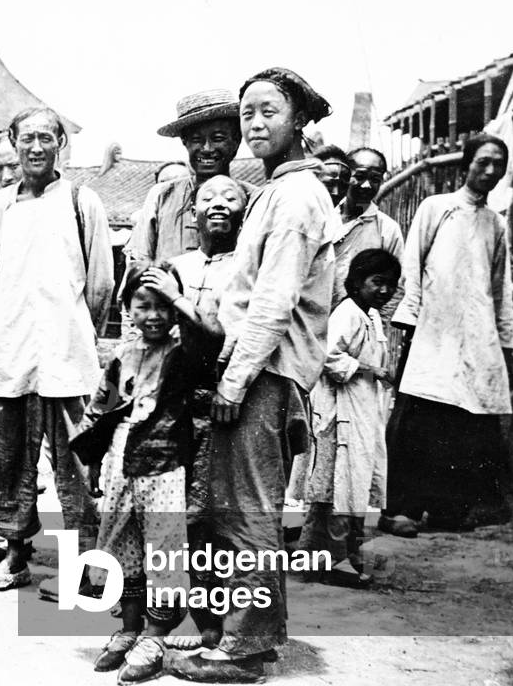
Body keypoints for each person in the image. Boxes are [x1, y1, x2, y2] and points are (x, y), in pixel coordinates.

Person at [172, 68, 334, 683]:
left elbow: (272, 302)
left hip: (263, 374)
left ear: (299, 121)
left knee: (249, 514)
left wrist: (234, 382)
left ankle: (244, 649)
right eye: (248, 115)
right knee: (237, 510)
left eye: (270, 111)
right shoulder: (273, 190)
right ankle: (244, 640)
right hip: (253, 368)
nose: (256, 125)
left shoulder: (294, 197)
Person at [0, 107, 114, 594]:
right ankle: (15, 555)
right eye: (26, 138)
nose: (35, 148)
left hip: (66, 357)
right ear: (12, 143)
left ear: (62, 144)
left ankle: (88, 568)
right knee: (11, 460)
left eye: (46, 138)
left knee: (74, 465)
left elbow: (100, 285)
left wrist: (77, 337)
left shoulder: (82, 201)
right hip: (10, 353)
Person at [382, 134, 513, 536]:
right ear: (466, 164)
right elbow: (413, 265)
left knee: (463, 425)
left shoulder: (497, 224)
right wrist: (410, 319)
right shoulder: (436, 208)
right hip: (432, 331)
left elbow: (499, 287)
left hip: (476, 335)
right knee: (418, 420)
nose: (490, 171)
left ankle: (447, 509)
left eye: (498, 164)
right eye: (483, 162)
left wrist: (504, 341)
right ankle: (401, 508)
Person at [142, 175, 248, 653]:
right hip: (174, 403)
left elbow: (218, 338)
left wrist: (176, 296)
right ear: (193, 212)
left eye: (232, 198)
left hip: (222, 401)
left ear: (245, 214)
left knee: (210, 522)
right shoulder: (177, 265)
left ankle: (212, 625)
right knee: (170, 517)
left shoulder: (247, 268)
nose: (219, 204)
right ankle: (158, 620)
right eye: (209, 198)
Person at [77, 265, 193, 683]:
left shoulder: (184, 353)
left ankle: (156, 635)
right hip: (119, 465)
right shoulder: (121, 355)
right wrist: (92, 462)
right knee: (120, 546)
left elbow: (211, 338)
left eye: (164, 306)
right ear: (127, 309)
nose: (154, 316)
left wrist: (182, 301)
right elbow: (99, 410)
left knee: (162, 549)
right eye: (143, 305)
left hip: (164, 468)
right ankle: (129, 629)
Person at [297, 249, 400, 588]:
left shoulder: (370, 317)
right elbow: (328, 356)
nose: (384, 291)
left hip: (360, 412)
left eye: (391, 284)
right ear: (357, 282)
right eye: (377, 282)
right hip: (337, 413)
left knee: (353, 485)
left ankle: (345, 556)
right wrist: (371, 369)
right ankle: (317, 561)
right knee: (331, 488)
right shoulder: (348, 313)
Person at [125, 89, 249, 267]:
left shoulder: (253, 198)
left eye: (218, 138)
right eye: (196, 139)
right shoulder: (162, 195)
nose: (206, 148)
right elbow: (139, 260)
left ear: (236, 141)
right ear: (185, 142)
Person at [330, 148, 404, 313]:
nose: (366, 185)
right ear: (346, 175)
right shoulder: (325, 217)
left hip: (359, 325)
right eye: (360, 177)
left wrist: (379, 330)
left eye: (375, 179)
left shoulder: (387, 229)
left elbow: (396, 288)